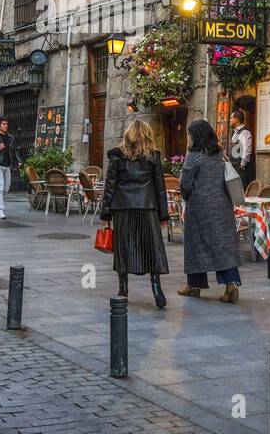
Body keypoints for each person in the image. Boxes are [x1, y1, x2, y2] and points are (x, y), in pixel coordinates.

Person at [99, 119, 170, 309]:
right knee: (151, 248)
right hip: (147, 207)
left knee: (123, 248)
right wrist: (164, 215)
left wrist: (105, 214)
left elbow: (110, 186)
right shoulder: (153, 157)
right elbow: (160, 188)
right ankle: (156, 288)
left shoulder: (117, 156)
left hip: (122, 207)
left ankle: (123, 289)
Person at [178, 119, 243, 303]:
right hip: (222, 207)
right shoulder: (220, 154)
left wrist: (187, 196)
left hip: (199, 208)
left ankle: (194, 285)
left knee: (196, 246)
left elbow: (185, 183)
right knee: (222, 247)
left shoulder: (194, 156)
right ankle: (230, 285)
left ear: (196, 136)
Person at [229, 109, 255, 188]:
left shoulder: (245, 132)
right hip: (234, 167)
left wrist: (242, 165)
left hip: (241, 169)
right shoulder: (236, 132)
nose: (230, 120)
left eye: (231, 118)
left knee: (242, 190)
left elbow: (247, 150)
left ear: (236, 119)